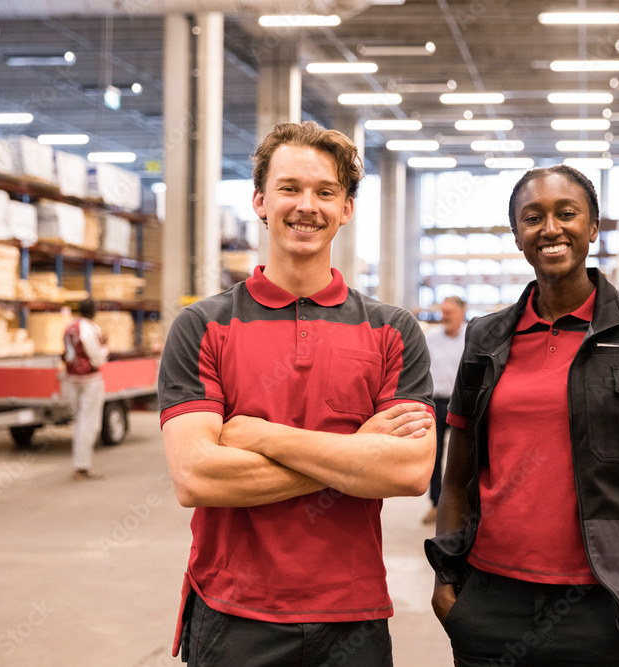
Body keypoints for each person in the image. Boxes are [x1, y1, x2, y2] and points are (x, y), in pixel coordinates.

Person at [158, 121, 436, 667]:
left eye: (325, 192)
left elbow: (408, 472)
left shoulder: (392, 329)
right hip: (233, 612)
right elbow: (196, 477)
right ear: (260, 201)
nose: (306, 205)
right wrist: (357, 454)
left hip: (352, 614)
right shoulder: (202, 326)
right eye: (289, 188)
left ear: (346, 208)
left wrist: (261, 436)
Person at [425, 165, 619, 667]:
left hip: (607, 606)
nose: (550, 228)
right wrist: (446, 581)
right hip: (492, 604)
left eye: (567, 213)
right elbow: (456, 478)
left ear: (593, 226)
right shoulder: (486, 338)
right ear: (517, 234)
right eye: (532, 217)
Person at [422, 296, 467, 524]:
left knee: (465, 455)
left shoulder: (472, 338)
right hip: (437, 403)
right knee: (435, 454)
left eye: (449, 312)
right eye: (443, 312)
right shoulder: (431, 340)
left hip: (464, 403)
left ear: (461, 312)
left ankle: (465, 505)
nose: (444, 316)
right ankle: (436, 504)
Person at [63, 298, 108, 480]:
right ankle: (82, 465)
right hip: (90, 378)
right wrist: (104, 352)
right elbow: (96, 355)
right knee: (90, 422)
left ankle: (80, 463)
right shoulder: (90, 328)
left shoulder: (70, 327)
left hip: (73, 378)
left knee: (80, 421)